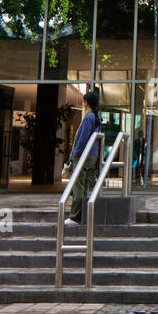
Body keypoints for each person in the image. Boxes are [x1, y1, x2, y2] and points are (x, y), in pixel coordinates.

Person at [65, 90, 101, 225]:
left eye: (84, 101)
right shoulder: (97, 117)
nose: (83, 103)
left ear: (87, 103)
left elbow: (82, 139)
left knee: (78, 185)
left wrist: (73, 155)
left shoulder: (89, 117)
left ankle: (75, 216)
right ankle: (83, 215)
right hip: (92, 155)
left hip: (83, 156)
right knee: (85, 185)